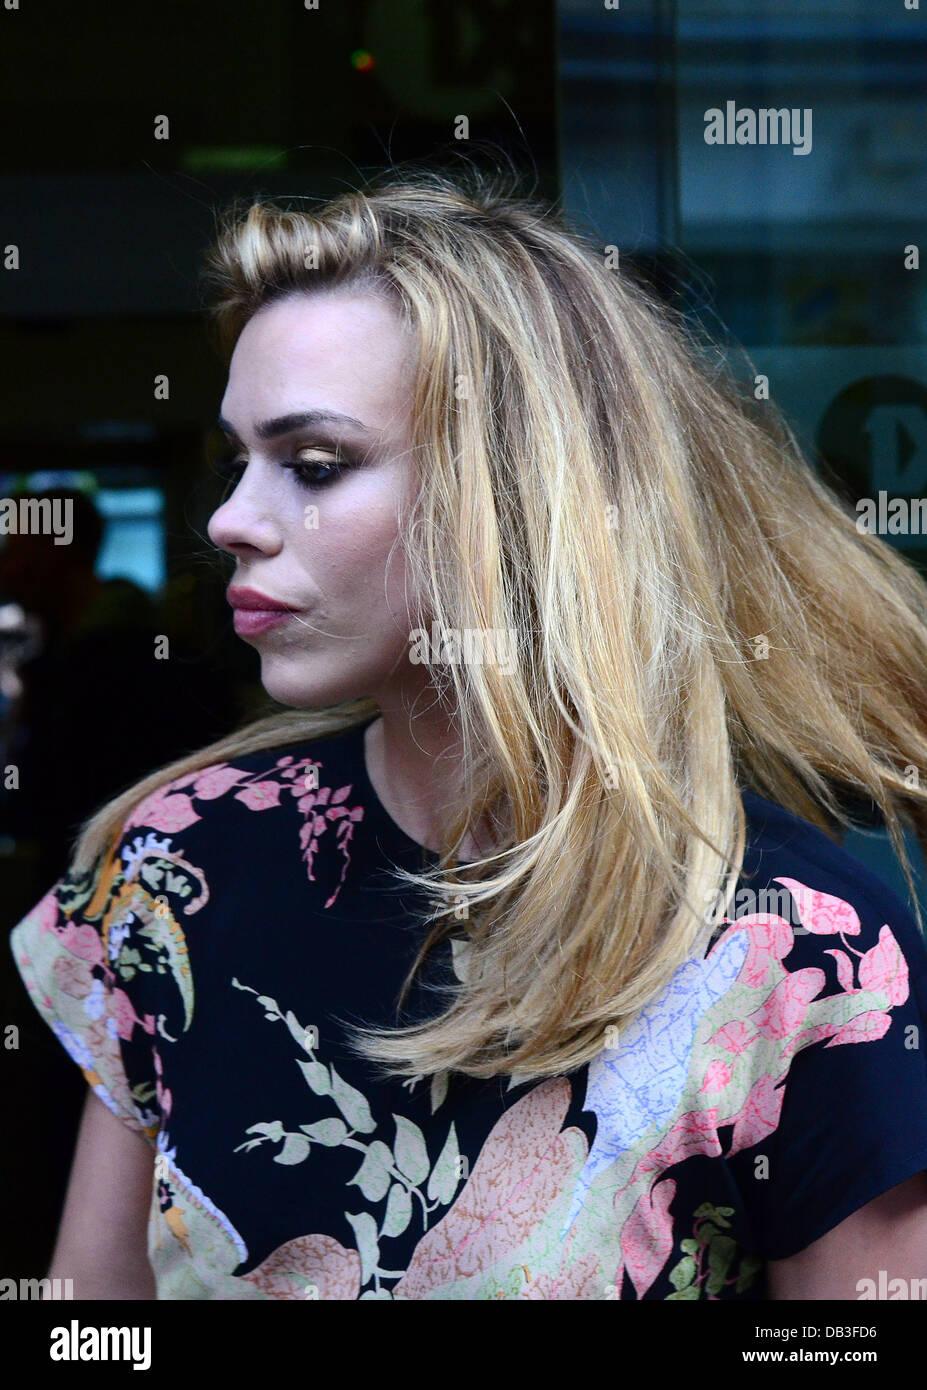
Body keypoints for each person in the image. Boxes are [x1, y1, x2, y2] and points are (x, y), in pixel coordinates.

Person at [9, 161, 927, 1302]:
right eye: (239, 460)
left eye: (313, 464)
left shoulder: (805, 955)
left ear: (511, 492)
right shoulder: (180, 861)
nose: (231, 520)